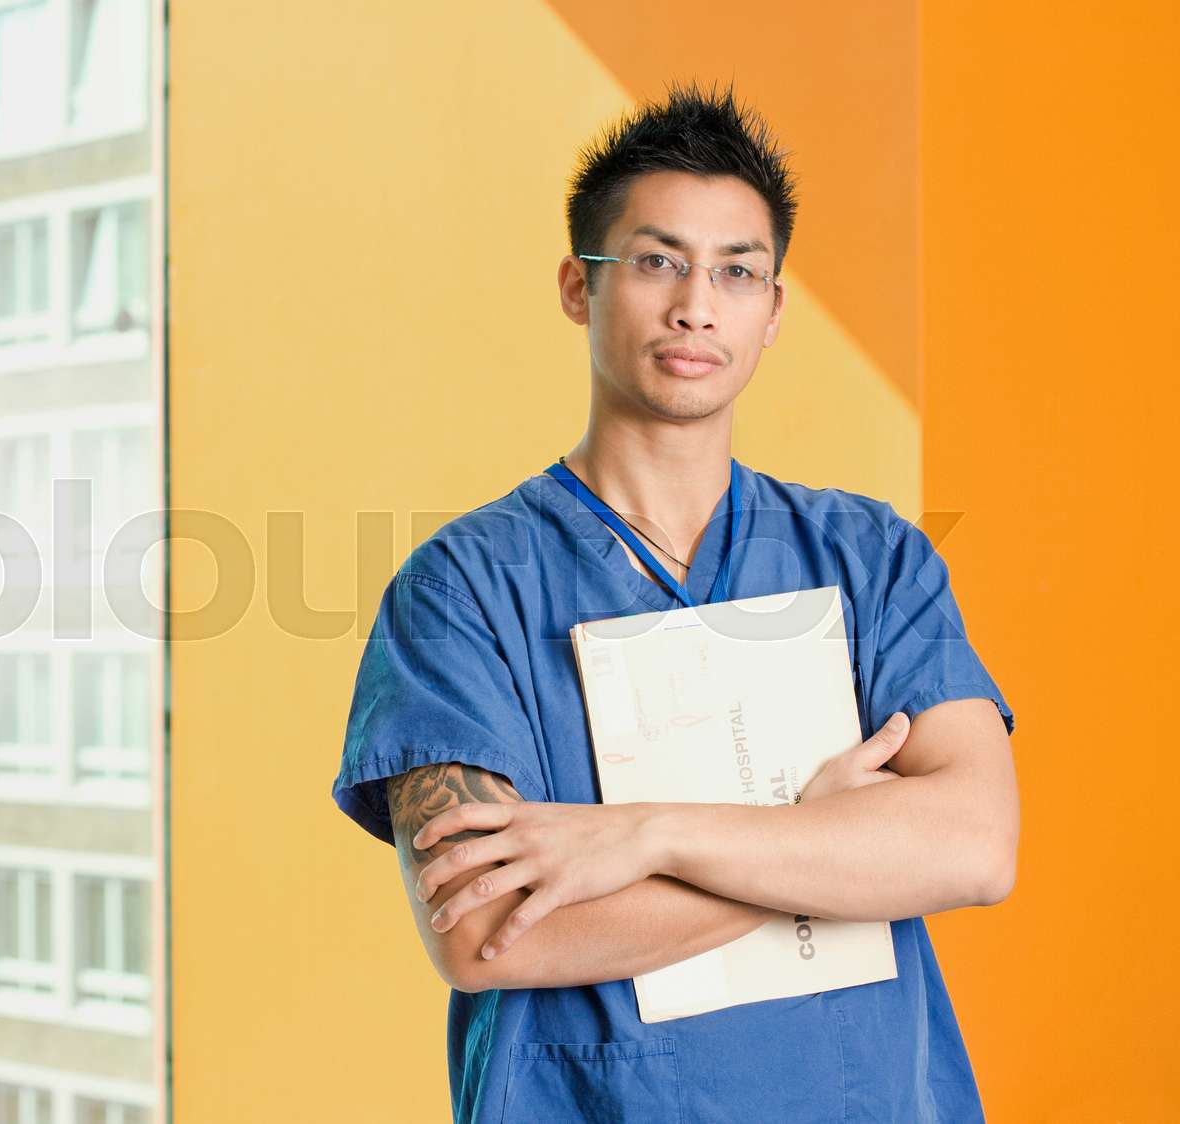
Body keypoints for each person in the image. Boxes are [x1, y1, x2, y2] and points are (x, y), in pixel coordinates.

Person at [330, 79, 1019, 1123]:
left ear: (772, 311)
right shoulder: (461, 588)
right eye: (656, 261)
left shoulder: (871, 556)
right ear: (579, 287)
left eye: (737, 271)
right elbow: (485, 934)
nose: (698, 304)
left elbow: (973, 846)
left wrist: (647, 836)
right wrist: (820, 840)